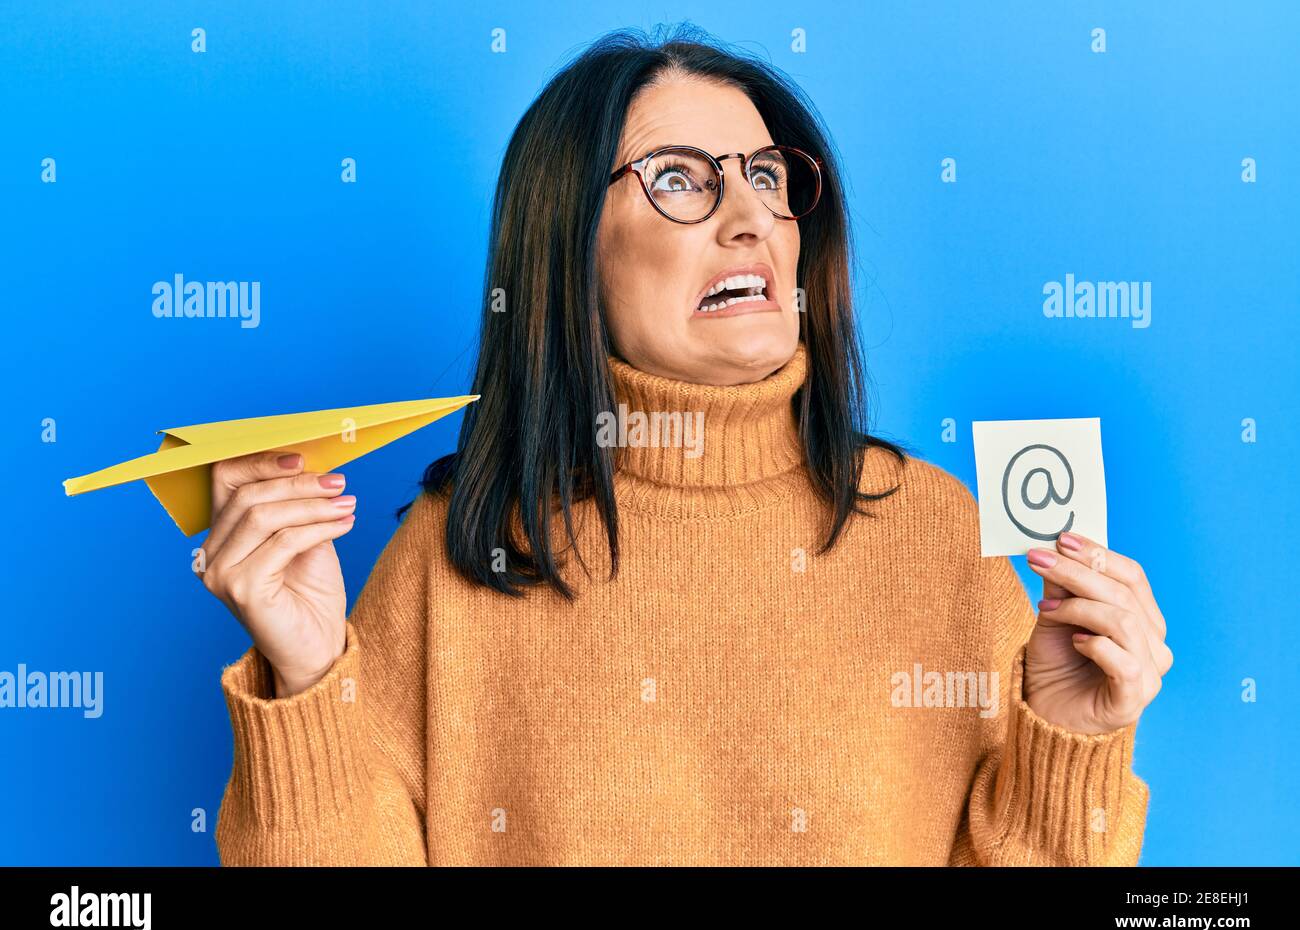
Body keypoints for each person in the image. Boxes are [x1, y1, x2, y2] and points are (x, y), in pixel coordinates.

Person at [198, 26, 1171, 866]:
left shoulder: (940, 535)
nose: (749, 217)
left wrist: (1071, 735)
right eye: (678, 181)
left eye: (766, 176)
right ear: (569, 250)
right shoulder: (460, 554)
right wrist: (310, 679)